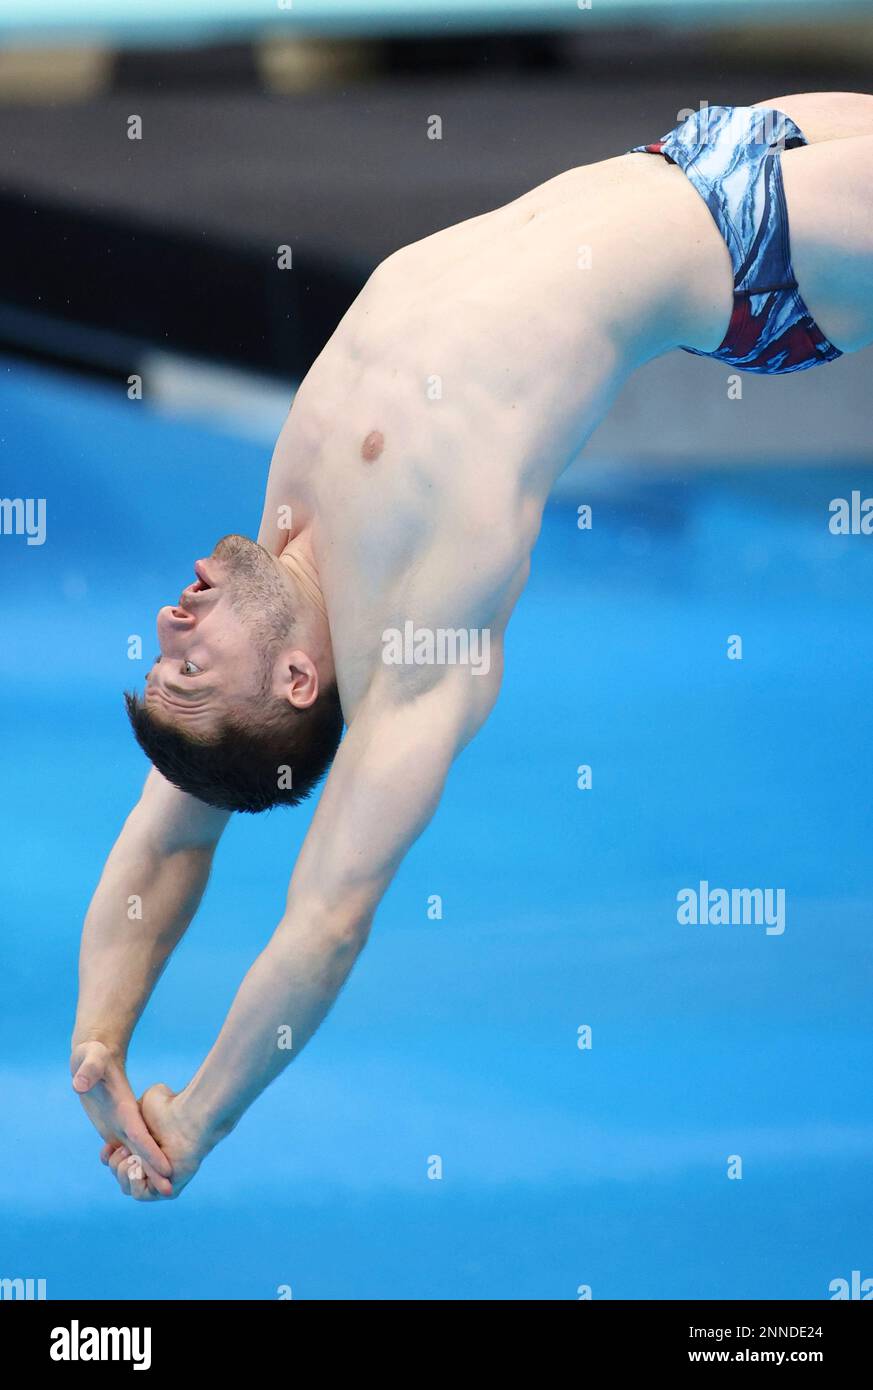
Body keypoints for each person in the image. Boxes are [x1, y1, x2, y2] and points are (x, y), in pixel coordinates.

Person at [71, 92, 873, 1200]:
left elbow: (166, 838)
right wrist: (199, 1121)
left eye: (170, 646)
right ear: (296, 681)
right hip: (761, 253)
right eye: (190, 664)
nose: (170, 622)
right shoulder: (421, 643)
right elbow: (328, 920)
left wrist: (96, 1044)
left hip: (689, 154)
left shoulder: (286, 539)